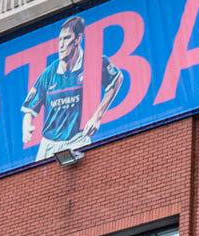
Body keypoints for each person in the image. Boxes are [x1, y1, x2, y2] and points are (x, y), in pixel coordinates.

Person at [22, 15, 126, 162]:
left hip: (77, 140)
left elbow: (117, 78)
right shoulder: (49, 72)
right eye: (60, 39)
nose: (61, 45)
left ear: (78, 39)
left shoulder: (93, 62)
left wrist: (97, 117)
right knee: (38, 176)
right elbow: (30, 108)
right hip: (49, 144)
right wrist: (26, 125)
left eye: (66, 39)